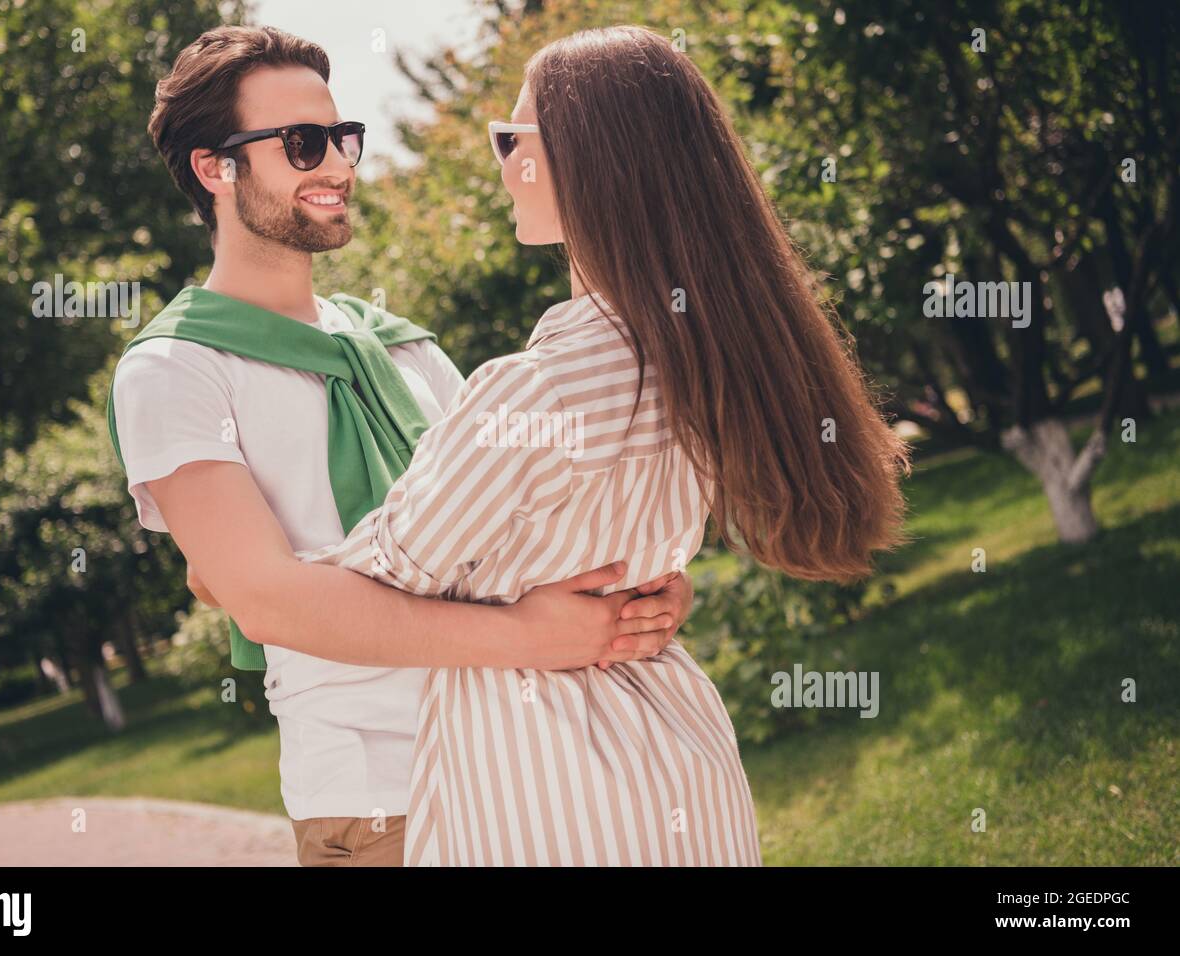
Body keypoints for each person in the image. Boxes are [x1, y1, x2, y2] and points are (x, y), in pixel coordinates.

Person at [283, 25, 912, 865]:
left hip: (545, 789)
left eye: (513, 139)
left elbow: (364, 592)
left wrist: (235, 578)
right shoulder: (707, 354)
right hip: (681, 756)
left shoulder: (537, 388)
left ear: (586, 163)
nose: (501, 163)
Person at [110, 25, 692, 868]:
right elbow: (270, 603)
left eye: (344, 139)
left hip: (530, 763)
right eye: (304, 146)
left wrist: (643, 598)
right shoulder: (174, 371)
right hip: (380, 798)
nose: (341, 168)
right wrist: (540, 637)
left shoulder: (402, 347)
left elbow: (527, 535)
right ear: (216, 168)